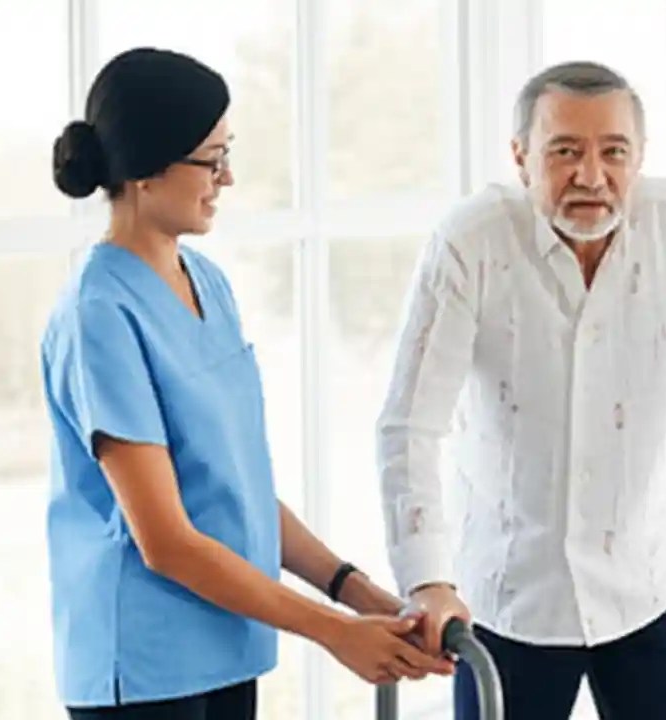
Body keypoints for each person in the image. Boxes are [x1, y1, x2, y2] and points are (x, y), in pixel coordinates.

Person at [375, 60, 666, 719]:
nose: (590, 176)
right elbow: (410, 426)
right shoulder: (469, 242)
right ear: (521, 157)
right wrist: (427, 580)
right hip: (512, 600)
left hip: (647, 587)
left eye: (613, 152)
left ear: (640, 158)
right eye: (564, 151)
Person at [41, 47, 452, 720]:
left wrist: (356, 593)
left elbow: (239, 488)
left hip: (227, 643)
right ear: (147, 167)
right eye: (212, 159)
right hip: (145, 666)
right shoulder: (98, 315)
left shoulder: (209, 284)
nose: (226, 179)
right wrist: (333, 632)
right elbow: (166, 540)